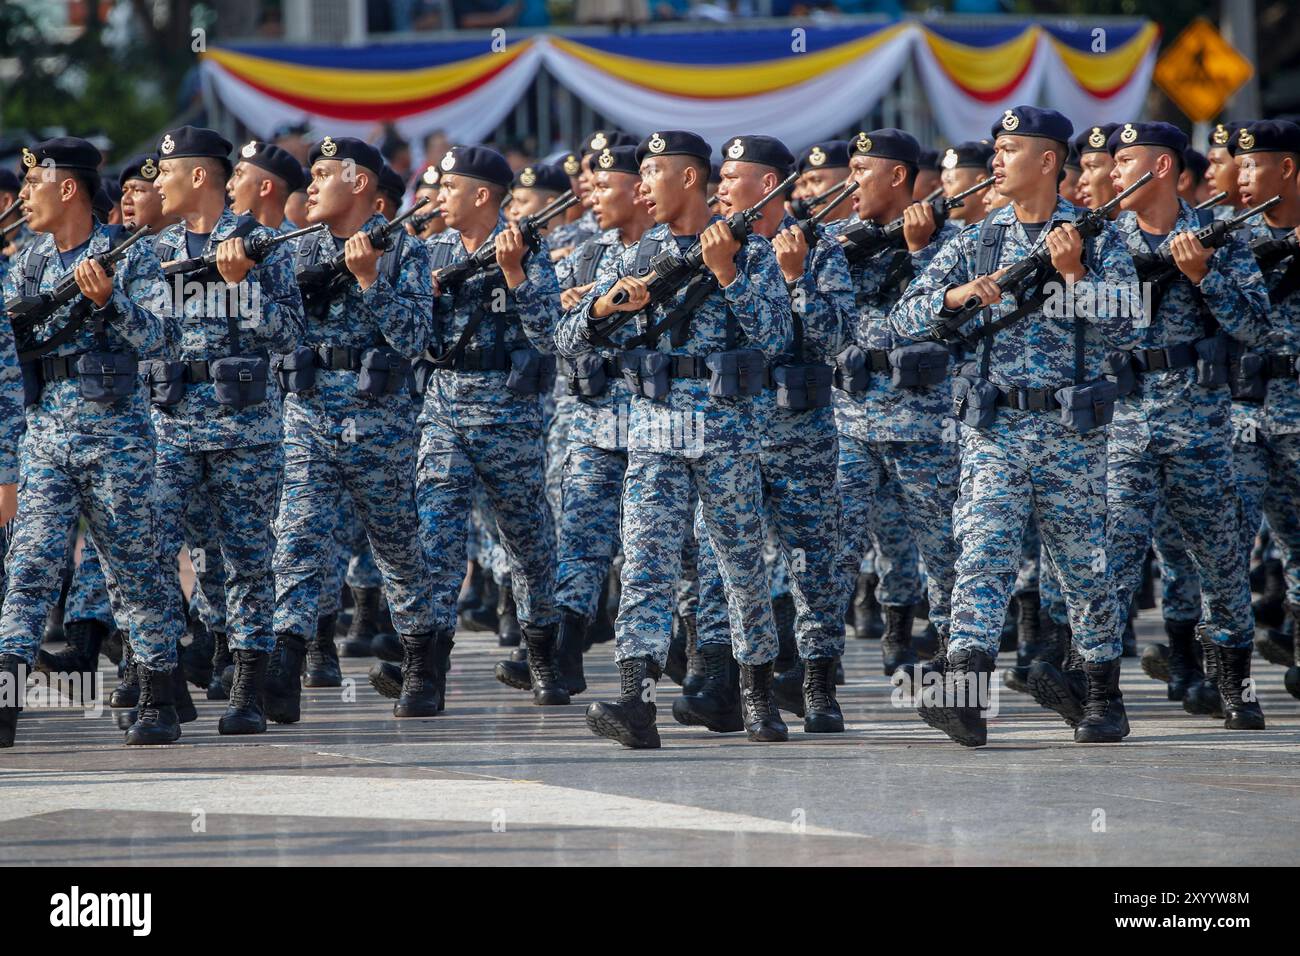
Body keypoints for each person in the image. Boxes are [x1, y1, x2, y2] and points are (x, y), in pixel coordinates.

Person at [892, 107, 1141, 747]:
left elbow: (1130, 320)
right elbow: (904, 318)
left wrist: (1075, 278)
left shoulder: (1097, 238)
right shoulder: (977, 240)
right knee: (981, 557)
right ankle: (966, 697)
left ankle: (1101, 698)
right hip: (993, 428)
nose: (996, 160)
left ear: (1050, 161)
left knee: (1083, 567)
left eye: (1010, 149)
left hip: (1070, 431)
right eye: (996, 149)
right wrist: (957, 297)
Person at [559, 130, 791, 748]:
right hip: (655, 431)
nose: (641, 188)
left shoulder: (750, 250)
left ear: (688, 179)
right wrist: (604, 309)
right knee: (646, 565)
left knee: (740, 565)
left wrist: (728, 275)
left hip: (725, 431)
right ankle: (637, 701)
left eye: (653, 173)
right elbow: (568, 342)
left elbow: (774, 339)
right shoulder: (633, 255)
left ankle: (757, 696)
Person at [0, 137, 184, 747]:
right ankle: (5, 699)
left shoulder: (128, 253)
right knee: (28, 568)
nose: (25, 196)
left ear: (68, 188)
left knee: (137, 568)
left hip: (117, 439)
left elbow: (161, 340)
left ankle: (158, 695)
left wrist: (111, 303)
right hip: (46, 437)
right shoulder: (28, 263)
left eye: (34, 185)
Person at [677, 134, 852, 734]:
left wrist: (797, 278)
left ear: (772, 184)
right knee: (726, 557)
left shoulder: (820, 248)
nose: (721, 187)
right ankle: (720, 679)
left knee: (812, 559)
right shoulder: (716, 247)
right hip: (731, 429)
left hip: (800, 430)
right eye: (719, 175)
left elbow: (835, 338)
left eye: (734, 176)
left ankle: (818, 684)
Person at [268, 135, 436, 721]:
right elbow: (276, 336)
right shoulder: (293, 252)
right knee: (296, 540)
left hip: (379, 419)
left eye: (321, 174)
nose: (309, 186)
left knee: (396, 547)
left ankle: (421, 665)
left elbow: (416, 339)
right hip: (310, 412)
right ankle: (283, 676)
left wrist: (368, 281)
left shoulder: (404, 253)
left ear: (359, 182)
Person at [150, 126, 306, 734]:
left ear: (197, 177)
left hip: (246, 429)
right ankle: (158, 689)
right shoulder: (150, 251)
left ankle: (246, 691)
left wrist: (244, 290)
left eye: (167, 172)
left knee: (247, 559)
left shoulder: (265, 245)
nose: (156, 182)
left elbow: (293, 337)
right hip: (170, 426)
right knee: (151, 552)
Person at [416, 145, 564, 708]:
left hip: (508, 410)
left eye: (450, 188)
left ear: (481, 194)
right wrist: (419, 300)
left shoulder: (528, 248)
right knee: (436, 536)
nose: (440, 198)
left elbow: (551, 331)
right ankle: (427, 670)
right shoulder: (431, 253)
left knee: (526, 538)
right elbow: (409, 338)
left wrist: (516, 274)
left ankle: (542, 657)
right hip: (446, 407)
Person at [827, 129, 961, 680]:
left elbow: (947, 316)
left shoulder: (951, 244)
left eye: (863, 170)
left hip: (924, 423)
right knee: (832, 549)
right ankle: (816, 676)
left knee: (945, 555)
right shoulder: (838, 242)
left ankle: (959, 673)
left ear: (899, 177)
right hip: (850, 419)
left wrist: (920, 251)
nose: (850, 182)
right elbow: (818, 317)